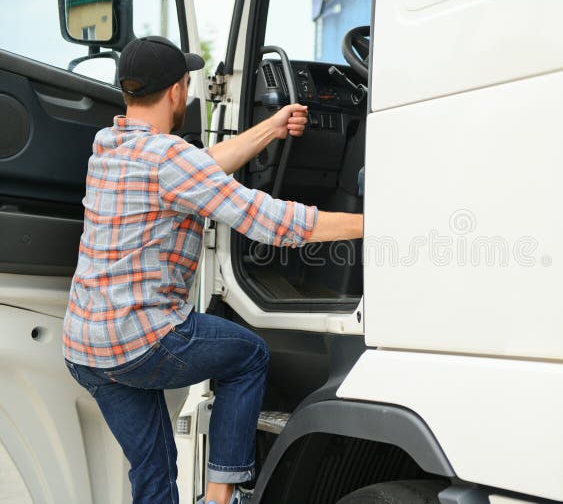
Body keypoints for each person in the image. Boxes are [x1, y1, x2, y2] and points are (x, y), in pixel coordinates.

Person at [62, 36, 363, 504]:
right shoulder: (169, 158)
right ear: (177, 91)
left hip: (86, 348)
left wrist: (271, 128)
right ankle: (221, 497)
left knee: (153, 469)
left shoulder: (109, 145)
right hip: (142, 341)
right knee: (249, 356)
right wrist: (369, 223)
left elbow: (199, 168)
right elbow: (268, 221)